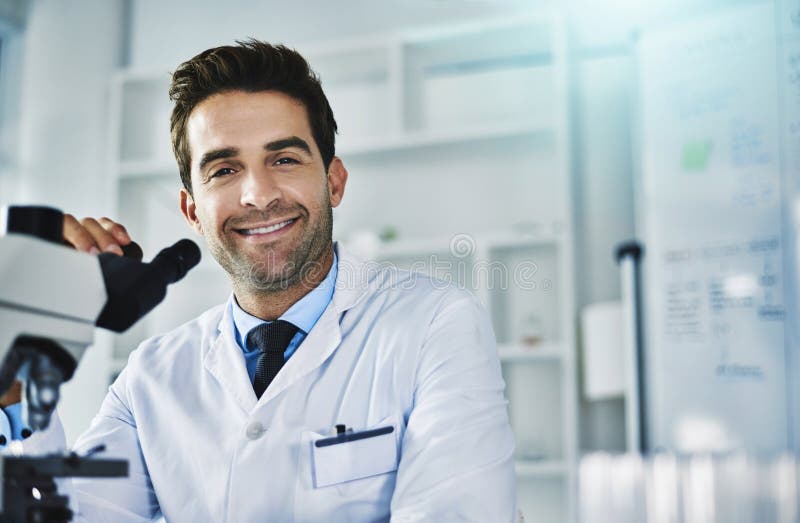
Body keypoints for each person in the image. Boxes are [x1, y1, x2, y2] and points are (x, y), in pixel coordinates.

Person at [6, 40, 516, 522]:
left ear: (333, 180)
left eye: (285, 159)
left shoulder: (435, 324)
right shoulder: (151, 379)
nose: (257, 194)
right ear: (191, 210)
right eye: (224, 169)